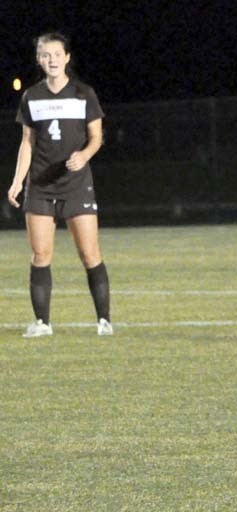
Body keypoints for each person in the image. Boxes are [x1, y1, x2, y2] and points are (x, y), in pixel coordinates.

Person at [6, 32, 112, 337]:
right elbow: (27, 143)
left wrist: (84, 155)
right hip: (39, 186)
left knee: (90, 253)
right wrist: (17, 181)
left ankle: (104, 320)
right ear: (39, 60)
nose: (51, 60)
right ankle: (42, 323)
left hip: (77, 184)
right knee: (40, 255)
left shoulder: (83, 94)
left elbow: (96, 138)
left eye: (56, 54)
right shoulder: (31, 97)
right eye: (45, 55)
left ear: (66, 57)